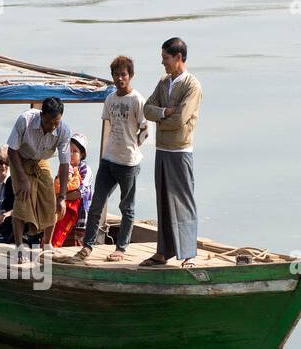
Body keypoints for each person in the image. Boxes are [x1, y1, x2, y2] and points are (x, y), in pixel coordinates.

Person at [62, 55, 147, 263]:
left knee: (127, 207)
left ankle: (121, 248)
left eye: (123, 75)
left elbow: (145, 130)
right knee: (96, 204)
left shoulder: (137, 100)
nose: (120, 79)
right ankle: (87, 246)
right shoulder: (110, 99)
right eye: (116, 75)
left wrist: (134, 145)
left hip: (129, 163)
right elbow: (109, 125)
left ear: (131, 76)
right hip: (108, 159)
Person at [141, 38, 202, 268]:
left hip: (180, 150)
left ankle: (189, 253)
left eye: (166, 58)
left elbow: (181, 120)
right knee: (163, 201)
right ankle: (162, 252)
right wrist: (165, 112)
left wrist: (162, 118)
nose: (162, 62)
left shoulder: (192, 85)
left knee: (183, 200)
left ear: (178, 58)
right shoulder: (164, 81)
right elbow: (147, 109)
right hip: (162, 149)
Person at [5, 97, 72, 248]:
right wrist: (22, 179)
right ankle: (19, 246)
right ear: (42, 115)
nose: (52, 126)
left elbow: (64, 163)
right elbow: (12, 150)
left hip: (40, 160)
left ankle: (47, 246)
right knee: (23, 198)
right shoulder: (26, 120)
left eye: (56, 123)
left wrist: (62, 197)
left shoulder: (64, 130)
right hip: (20, 158)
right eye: (49, 122)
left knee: (50, 199)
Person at [49, 136, 88, 247]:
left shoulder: (85, 169)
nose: (71, 154)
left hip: (79, 218)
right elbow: (56, 185)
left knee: (73, 247)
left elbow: (80, 193)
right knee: (59, 244)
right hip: (62, 213)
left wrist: (61, 196)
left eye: (75, 151)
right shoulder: (64, 167)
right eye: (69, 151)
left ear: (82, 154)